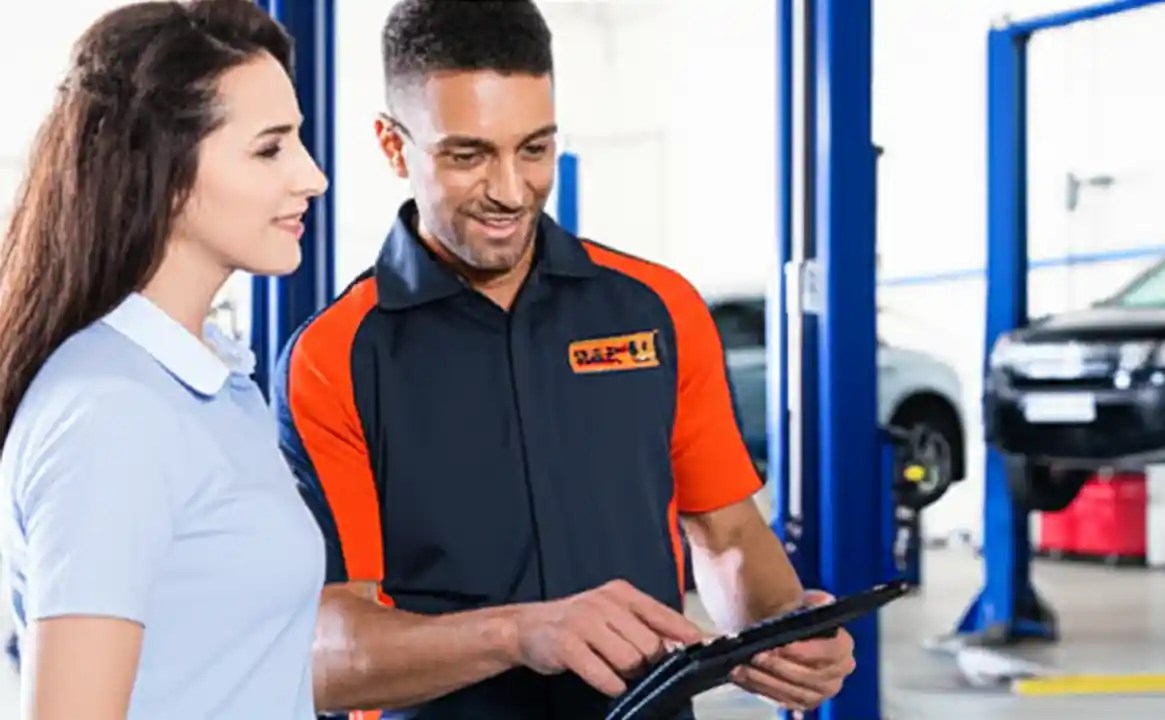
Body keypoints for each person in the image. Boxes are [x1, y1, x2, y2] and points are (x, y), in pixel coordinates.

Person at [276, 1, 855, 718]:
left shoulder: (658, 310)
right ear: (394, 147)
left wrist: (781, 628)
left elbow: (729, 534)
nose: (509, 191)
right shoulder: (333, 358)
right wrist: (519, 634)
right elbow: (325, 658)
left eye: (534, 149)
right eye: (468, 156)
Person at [0, 1, 329, 717]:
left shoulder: (214, 386)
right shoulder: (109, 414)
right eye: (270, 149)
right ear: (170, 175)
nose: (312, 177)